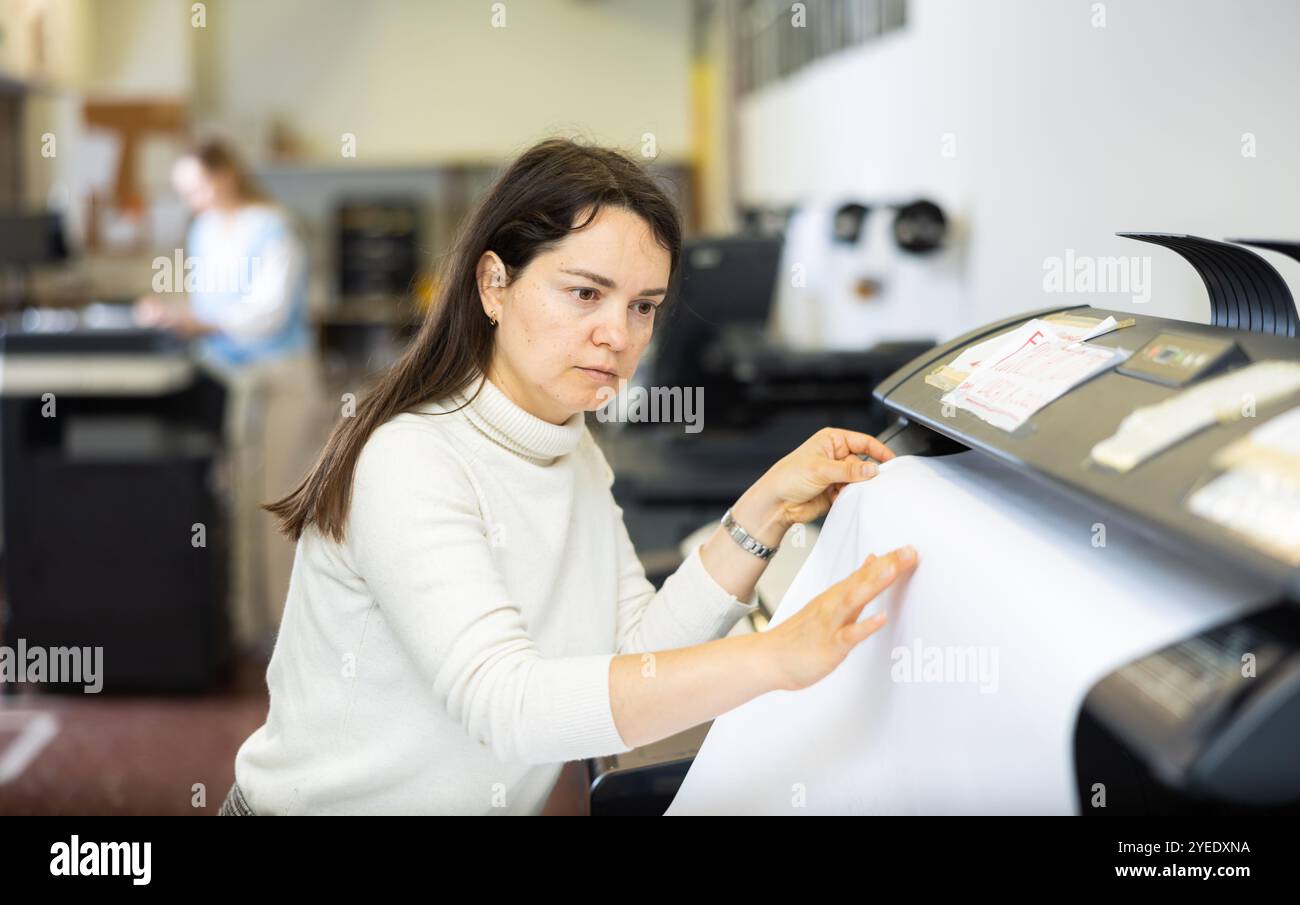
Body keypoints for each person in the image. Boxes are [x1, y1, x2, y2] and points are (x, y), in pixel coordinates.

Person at [219, 137, 918, 816]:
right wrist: (771, 659)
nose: (619, 334)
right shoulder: (412, 459)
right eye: (586, 293)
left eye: (643, 306)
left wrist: (767, 506)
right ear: (494, 284)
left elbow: (638, 653)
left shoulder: (571, 445)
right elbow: (509, 705)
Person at [134, 138, 323, 654]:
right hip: (231, 382)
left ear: (226, 175)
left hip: (280, 379)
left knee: (277, 508)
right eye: (184, 192)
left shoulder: (275, 228)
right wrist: (177, 317)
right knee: (236, 507)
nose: (193, 199)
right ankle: (244, 626)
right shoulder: (204, 230)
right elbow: (211, 305)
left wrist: (196, 321)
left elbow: (267, 314)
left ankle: (292, 635)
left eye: (197, 187)